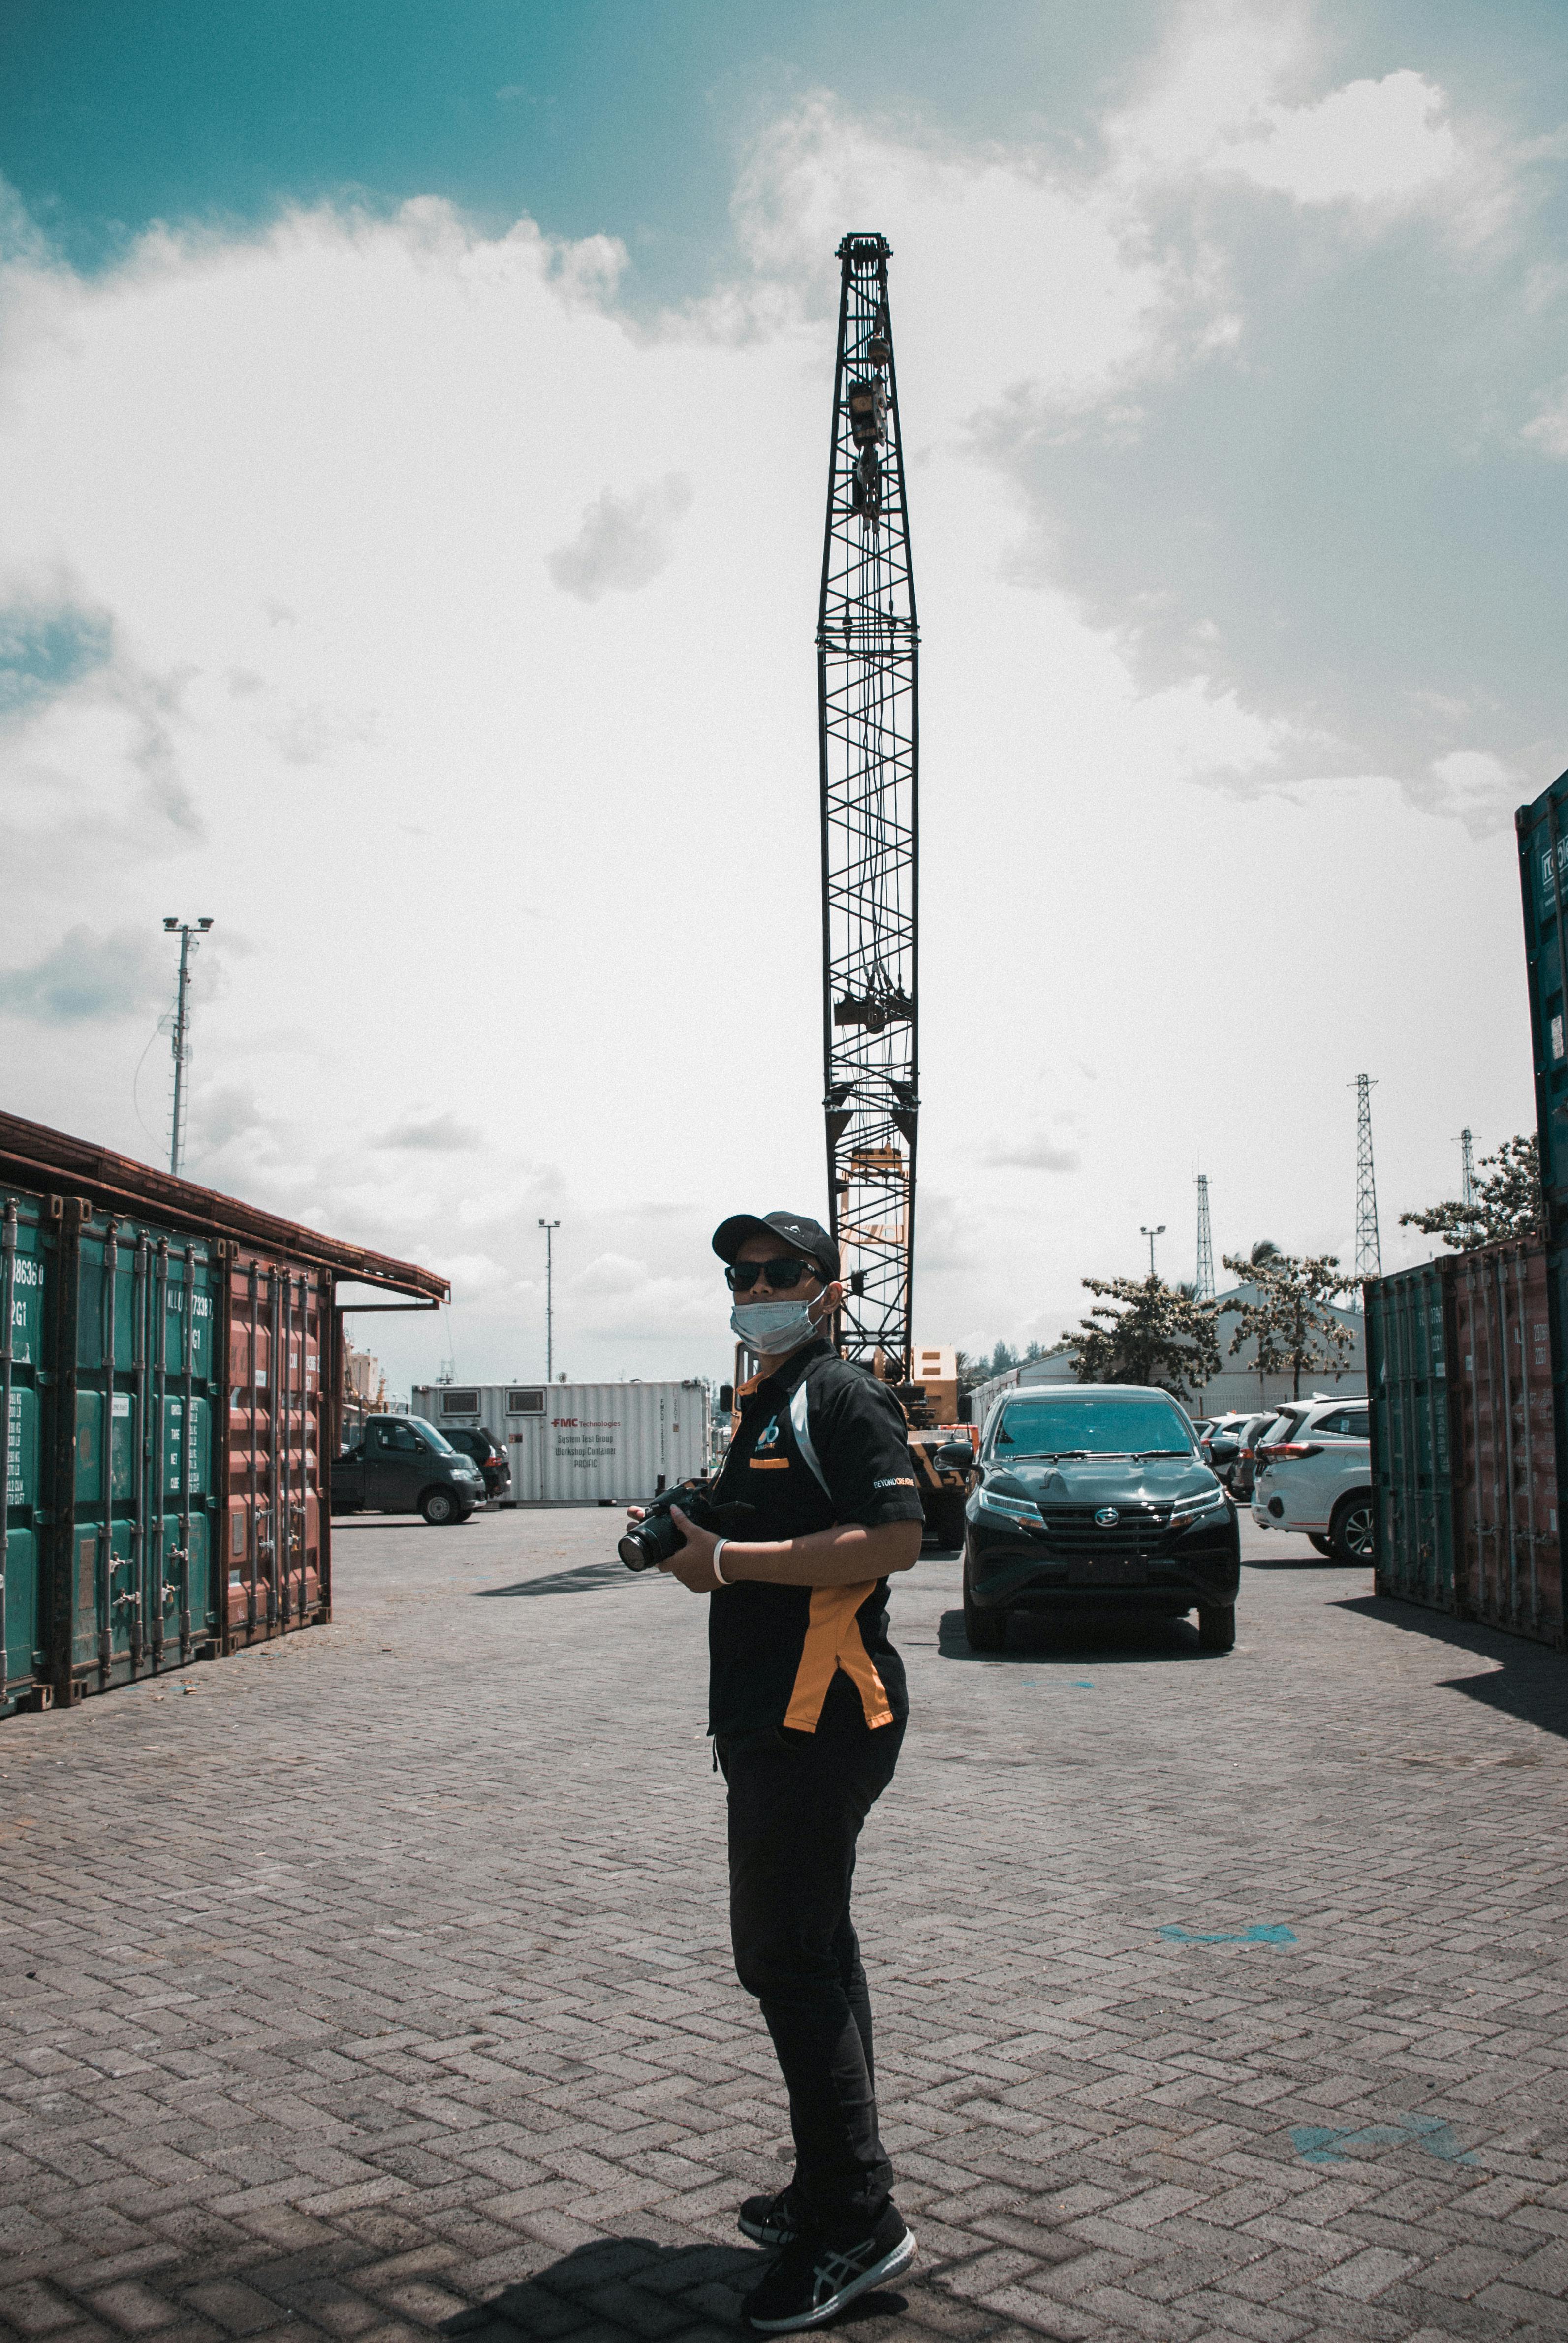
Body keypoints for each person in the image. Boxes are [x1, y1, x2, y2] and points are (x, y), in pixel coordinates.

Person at [627, 1209, 924, 2333]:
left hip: (822, 1717)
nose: (754, 1286)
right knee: (818, 1948)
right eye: (740, 1273)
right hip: (774, 1718)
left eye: (779, 1271)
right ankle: (833, 2183)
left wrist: (728, 1558)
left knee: (782, 1958)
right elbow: (745, 1524)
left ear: (828, 1287)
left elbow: (896, 1536)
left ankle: (856, 2220)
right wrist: (689, 1530)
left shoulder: (838, 1393)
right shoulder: (763, 1401)